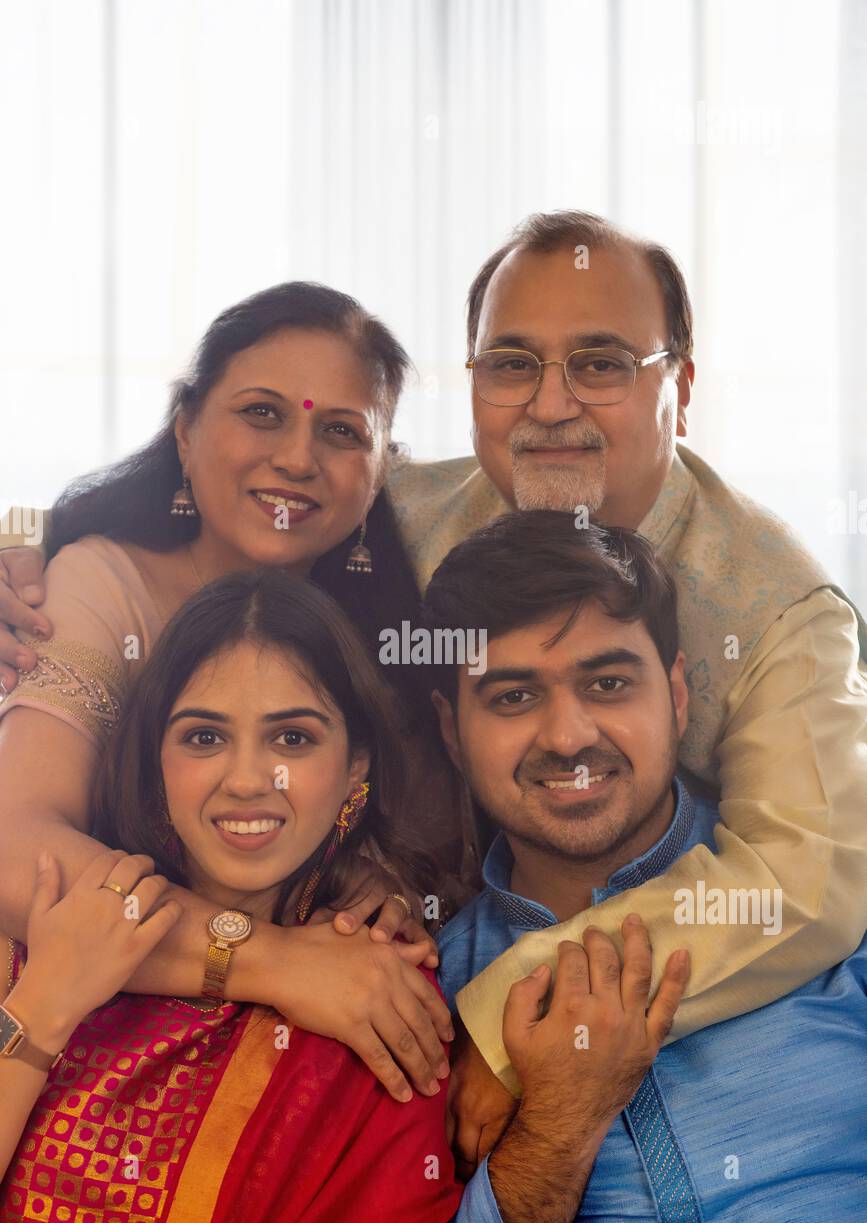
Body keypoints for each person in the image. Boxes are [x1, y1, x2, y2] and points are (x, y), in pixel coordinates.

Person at [4, 212, 867, 1098]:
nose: (550, 403)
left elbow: (808, 883)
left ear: (681, 388)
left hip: (657, 1028)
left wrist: (504, 1021)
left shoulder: (780, 612)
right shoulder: (409, 510)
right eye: (511, 365)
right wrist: (19, 539)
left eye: (601, 364)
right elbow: (216, 495)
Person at [0, 281, 464, 1105]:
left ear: (381, 470)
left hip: (279, 1060)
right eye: (261, 412)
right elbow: (14, 852)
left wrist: (379, 891)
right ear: (184, 430)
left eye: (341, 431)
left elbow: (432, 862)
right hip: (72, 1035)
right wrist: (272, 960)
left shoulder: (388, 640)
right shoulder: (103, 584)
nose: (296, 457)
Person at [423, 512, 867, 1223]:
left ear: (676, 693)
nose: (567, 737)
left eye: (607, 684)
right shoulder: (426, 1000)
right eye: (513, 695)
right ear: (449, 734)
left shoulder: (826, 902)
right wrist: (561, 1121)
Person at [0, 570, 461, 1223]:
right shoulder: (34, 932)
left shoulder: (376, 997)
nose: (248, 779)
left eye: (292, 737)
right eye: (205, 737)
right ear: (156, 765)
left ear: (355, 771)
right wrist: (44, 1009)